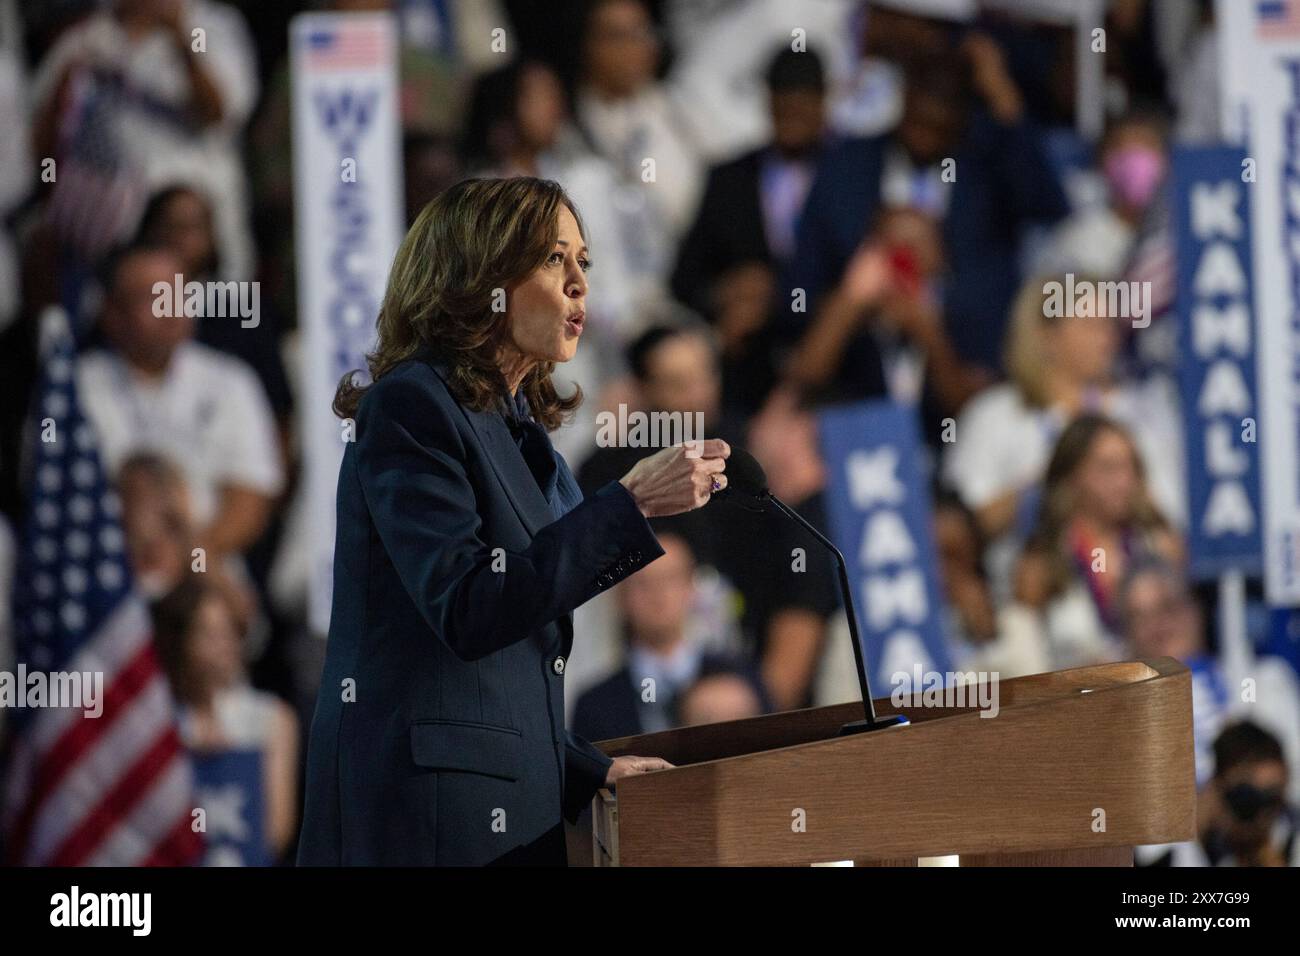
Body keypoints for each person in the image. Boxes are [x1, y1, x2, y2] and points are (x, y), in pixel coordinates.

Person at [297, 177, 731, 866]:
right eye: (554, 259)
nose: (579, 284)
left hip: (508, 808)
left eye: (583, 262)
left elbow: (509, 667)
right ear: (480, 275)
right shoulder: (412, 406)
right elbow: (469, 608)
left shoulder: (522, 434)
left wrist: (588, 770)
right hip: (426, 816)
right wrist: (631, 504)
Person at [1012, 414, 1182, 670]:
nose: (1124, 482)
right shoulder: (1043, 562)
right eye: (1108, 469)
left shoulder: (1159, 545)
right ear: (1072, 477)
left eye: (1131, 467)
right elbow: (1022, 657)